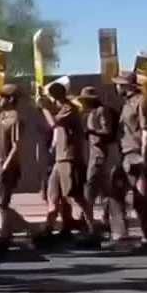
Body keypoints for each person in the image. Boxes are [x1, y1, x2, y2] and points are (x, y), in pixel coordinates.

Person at [0, 84, 42, 259]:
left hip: (7, 168)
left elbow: (16, 146)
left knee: (2, 204)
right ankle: (27, 230)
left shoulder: (15, 118)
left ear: (10, 99)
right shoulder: (0, 117)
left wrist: (5, 166)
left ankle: (4, 238)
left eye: (2, 97)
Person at [39, 83, 97, 242]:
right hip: (59, 158)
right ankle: (47, 230)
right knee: (52, 196)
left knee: (76, 196)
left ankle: (92, 229)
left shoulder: (69, 108)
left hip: (69, 158)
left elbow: (54, 123)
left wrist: (44, 108)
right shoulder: (61, 108)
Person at [112, 72, 147, 250]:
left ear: (127, 85)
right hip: (126, 153)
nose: (116, 87)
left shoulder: (142, 101)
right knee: (116, 193)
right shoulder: (126, 104)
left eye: (119, 84)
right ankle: (122, 234)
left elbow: (146, 131)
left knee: (141, 198)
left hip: (136, 154)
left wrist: (144, 157)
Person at [78, 86, 127, 248]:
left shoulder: (101, 111)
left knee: (98, 193)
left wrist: (91, 130)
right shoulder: (92, 113)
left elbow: (107, 131)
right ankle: (97, 226)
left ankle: (102, 229)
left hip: (102, 158)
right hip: (96, 157)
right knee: (100, 193)